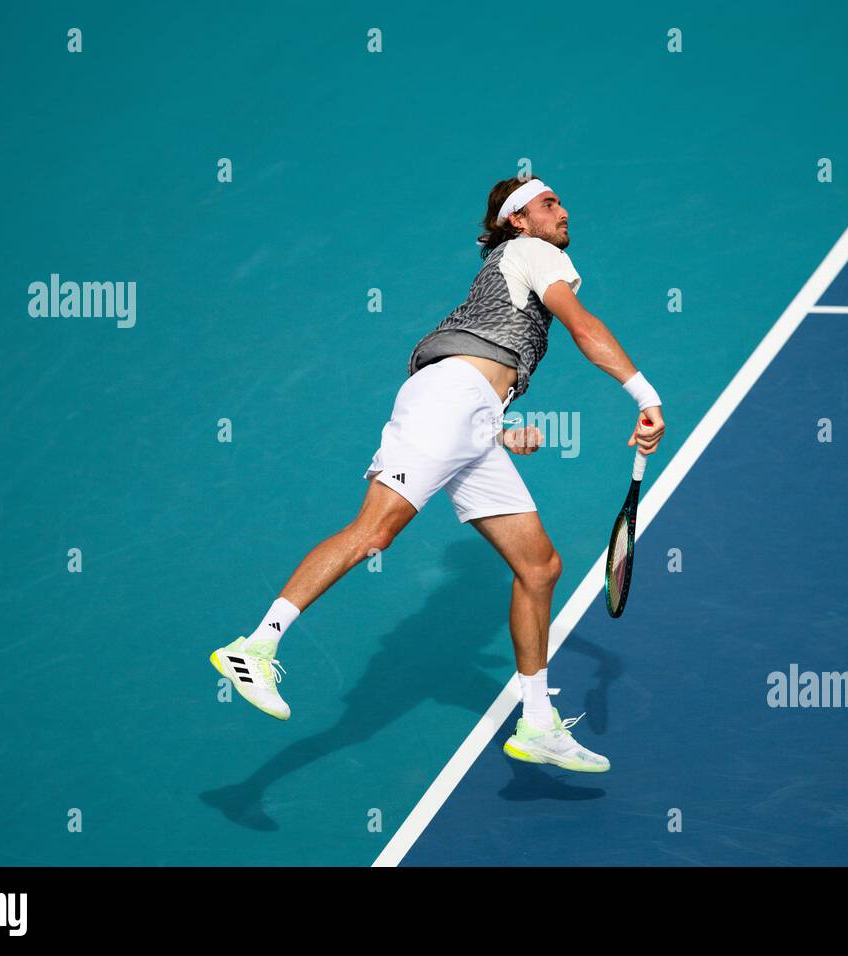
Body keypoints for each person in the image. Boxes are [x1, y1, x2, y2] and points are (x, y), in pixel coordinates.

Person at [210, 176, 666, 772]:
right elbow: (581, 327)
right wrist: (643, 394)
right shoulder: (534, 252)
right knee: (375, 531)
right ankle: (255, 645)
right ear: (519, 222)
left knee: (539, 566)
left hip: (470, 415)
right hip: (454, 401)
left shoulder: (510, 269)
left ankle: (535, 724)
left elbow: (471, 369)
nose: (563, 211)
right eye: (548, 204)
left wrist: (498, 429)